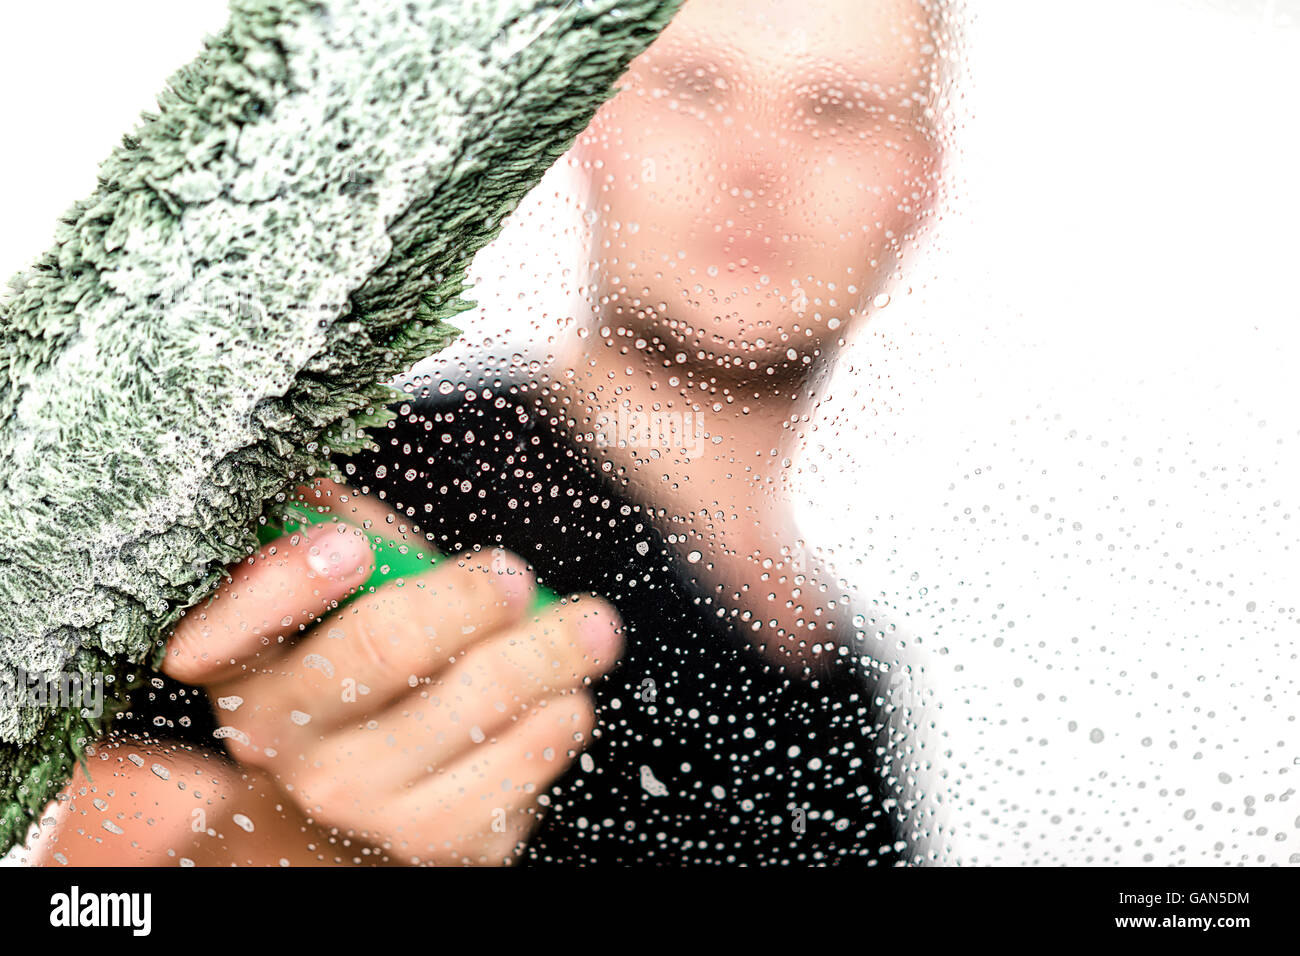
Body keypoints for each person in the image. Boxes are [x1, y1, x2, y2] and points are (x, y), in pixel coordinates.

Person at [21, 0, 946, 866]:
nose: (758, 159)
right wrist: (310, 838)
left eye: (838, 111)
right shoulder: (366, 487)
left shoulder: (851, 690)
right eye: (694, 88)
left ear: (916, 182)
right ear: (595, 127)